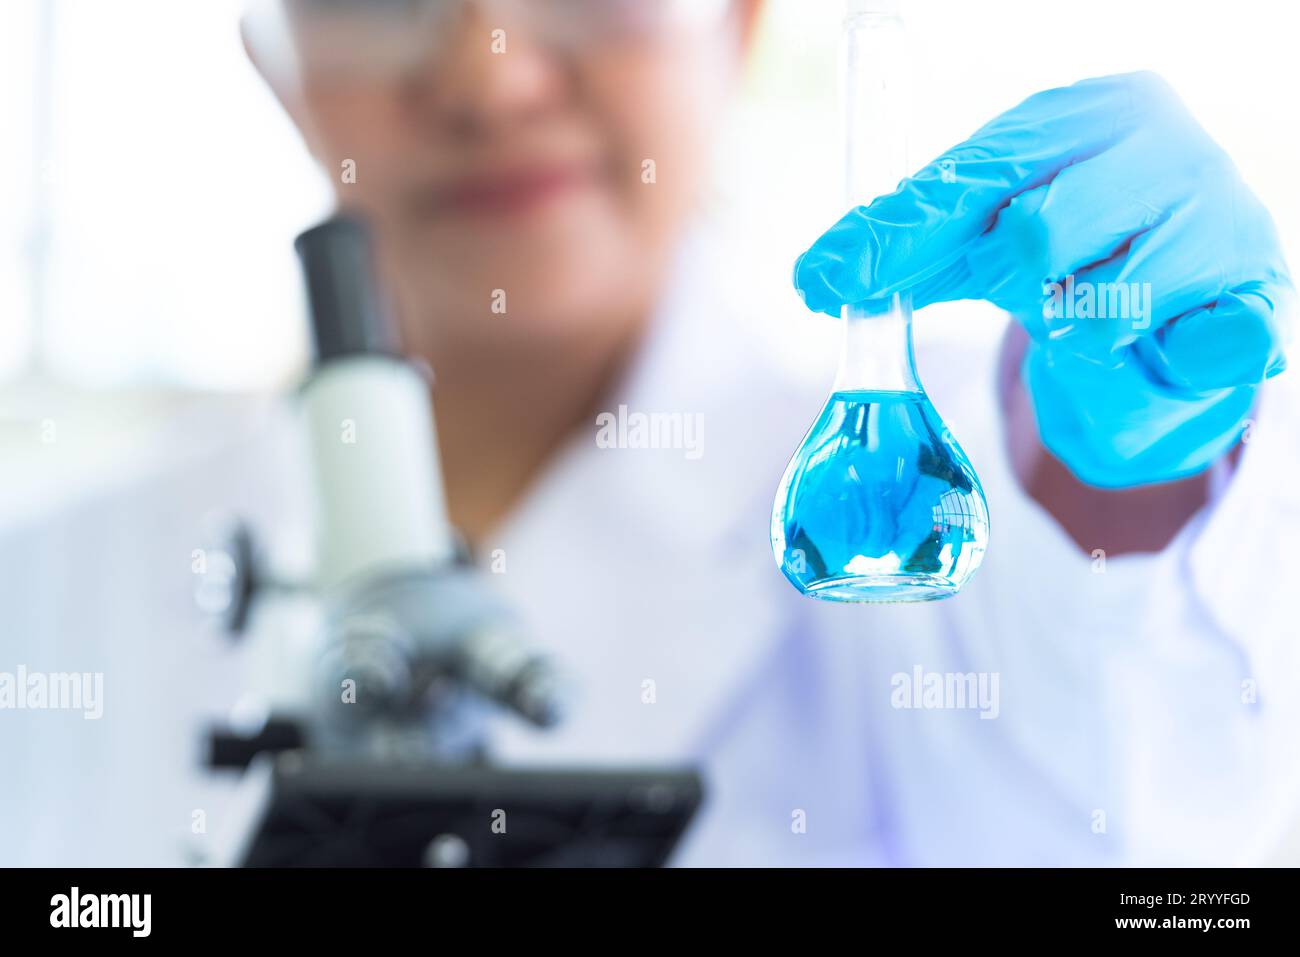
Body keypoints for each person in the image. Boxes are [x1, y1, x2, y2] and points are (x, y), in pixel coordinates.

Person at [239, 0, 1300, 865]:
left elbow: (1147, 822)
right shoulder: (82, 566)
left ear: (737, 25)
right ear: (272, 58)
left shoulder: (961, 507)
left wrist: (1123, 488)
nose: (490, 76)